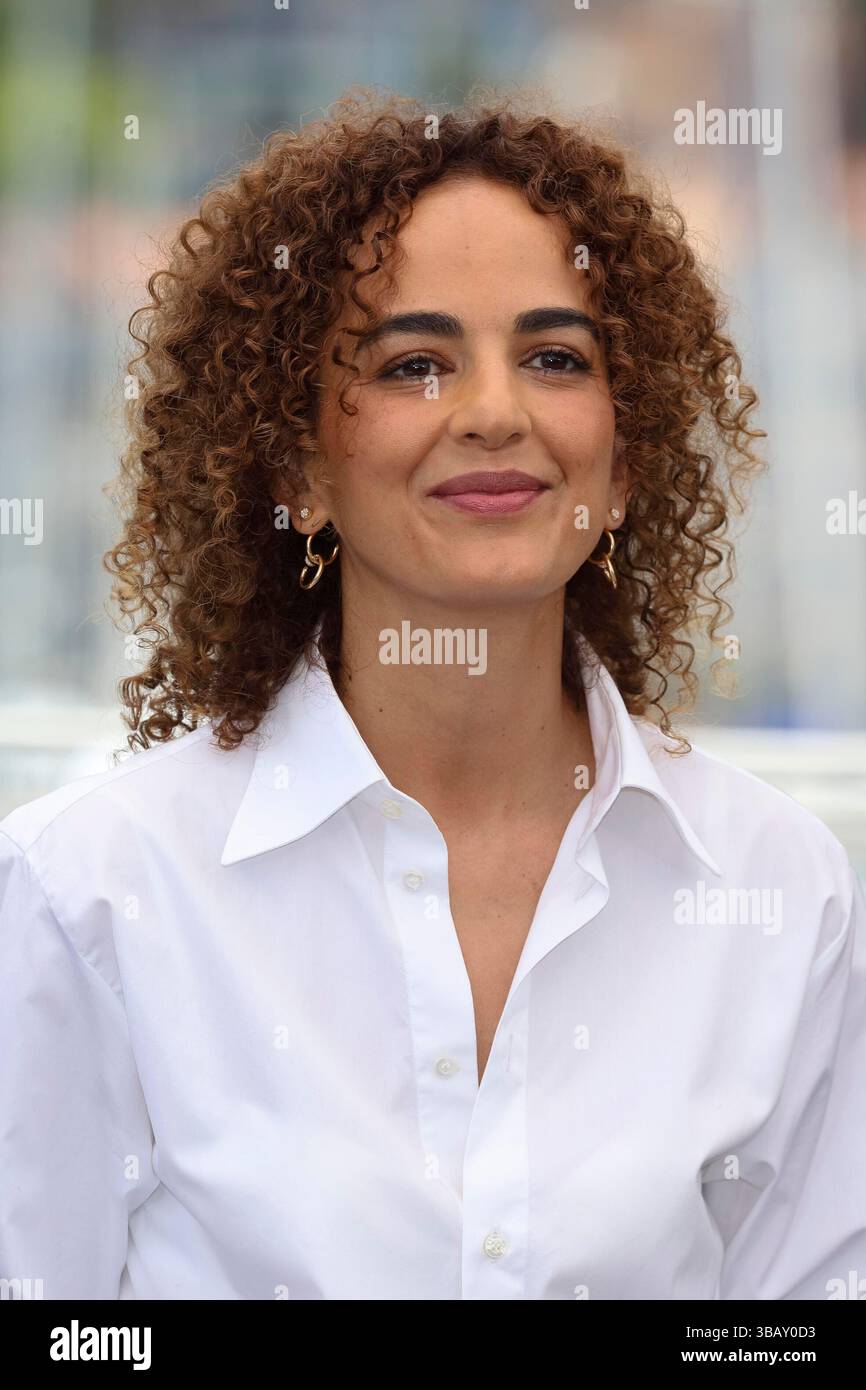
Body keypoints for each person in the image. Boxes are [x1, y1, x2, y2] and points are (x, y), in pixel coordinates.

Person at [1, 87, 864, 1301]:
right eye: (415, 363)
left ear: (624, 463)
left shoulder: (780, 892)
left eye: (555, 356)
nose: (496, 412)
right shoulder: (88, 893)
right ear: (295, 466)